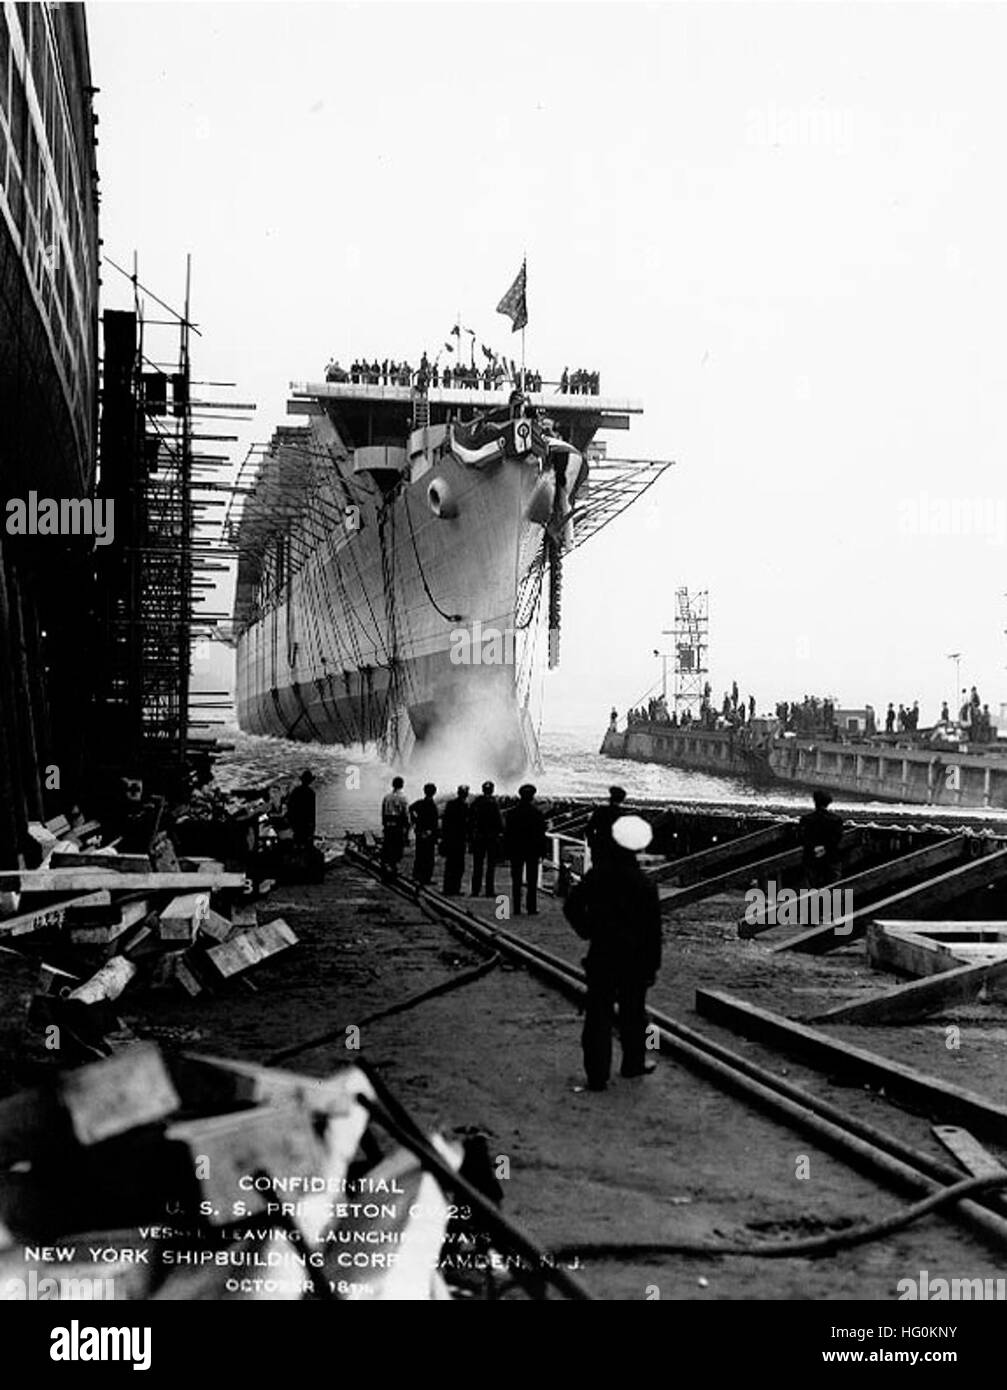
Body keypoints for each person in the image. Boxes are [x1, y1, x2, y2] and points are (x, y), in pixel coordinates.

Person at [563, 815, 662, 1092]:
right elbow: (653, 933)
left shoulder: (598, 875)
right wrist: (652, 967)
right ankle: (633, 1065)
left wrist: (588, 931)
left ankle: (597, 1076)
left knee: (598, 1016)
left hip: (603, 954)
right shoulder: (645, 885)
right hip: (634, 960)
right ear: (640, 848)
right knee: (634, 1016)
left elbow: (571, 906)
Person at [504, 784, 549, 915]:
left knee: (516, 880)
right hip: (532, 851)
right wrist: (543, 851)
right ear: (532, 797)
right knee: (532, 881)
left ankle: (516, 908)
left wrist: (506, 851)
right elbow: (541, 834)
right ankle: (531, 907)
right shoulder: (537, 814)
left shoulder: (512, 813)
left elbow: (508, 834)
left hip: (516, 851)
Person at [799, 790, 844, 888]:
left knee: (813, 888)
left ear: (815, 802)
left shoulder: (806, 819)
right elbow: (837, 838)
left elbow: (801, 838)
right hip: (831, 858)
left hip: (811, 857)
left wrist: (815, 848)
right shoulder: (836, 819)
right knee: (832, 889)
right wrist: (825, 848)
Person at [469, 781, 504, 897]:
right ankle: (489, 890)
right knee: (490, 866)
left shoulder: (477, 802)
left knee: (477, 865)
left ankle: (475, 890)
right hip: (491, 838)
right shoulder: (493, 803)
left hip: (479, 837)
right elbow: (499, 822)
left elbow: (471, 819)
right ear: (492, 790)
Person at [585, 786, 628, 868]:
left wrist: (593, 844)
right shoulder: (622, 816)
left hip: (599, 850)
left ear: (610, 798)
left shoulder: (600, 811)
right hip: (614, 853)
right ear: (622, 800)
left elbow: (588, 829)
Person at [441, 785, 470, 895]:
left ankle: (447, 887)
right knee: (458, 866)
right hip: (460, 839)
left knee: (450, 864)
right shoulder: (465, 806)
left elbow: (445, 821)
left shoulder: (450, 804)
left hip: (450, 838)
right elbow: (467, 824)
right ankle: (455, 888)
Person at [410, 783, 439, 885]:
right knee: (429, 857)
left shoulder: (420, 803)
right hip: (429, 834)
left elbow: (411, 808)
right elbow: (434, 823)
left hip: (420, 832)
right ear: (434, 792)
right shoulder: (432, 805)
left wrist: (415, 820)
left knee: (419, 855)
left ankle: (416, 875)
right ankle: (426, 878)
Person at [380, 776, 410, 872]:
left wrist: (384, 824)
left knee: (388, 844)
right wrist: (407, 827)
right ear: (402, 785)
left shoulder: (387, 797)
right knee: (397, 846)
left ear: (393, 785)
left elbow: (383, 812)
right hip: (398, 824)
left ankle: (385, 864)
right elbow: (405, 814)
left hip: (388, 823)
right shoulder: (403, 798)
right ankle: (393, 866)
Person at [285, 770, 316, 850]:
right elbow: (312, 811)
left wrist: (290, 819)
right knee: (306, 844)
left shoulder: (296, 791)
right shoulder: (311, 793)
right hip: (306, 822)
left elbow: (290, 806)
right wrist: (312, 825)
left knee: (297, 842)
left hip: (296, 821)